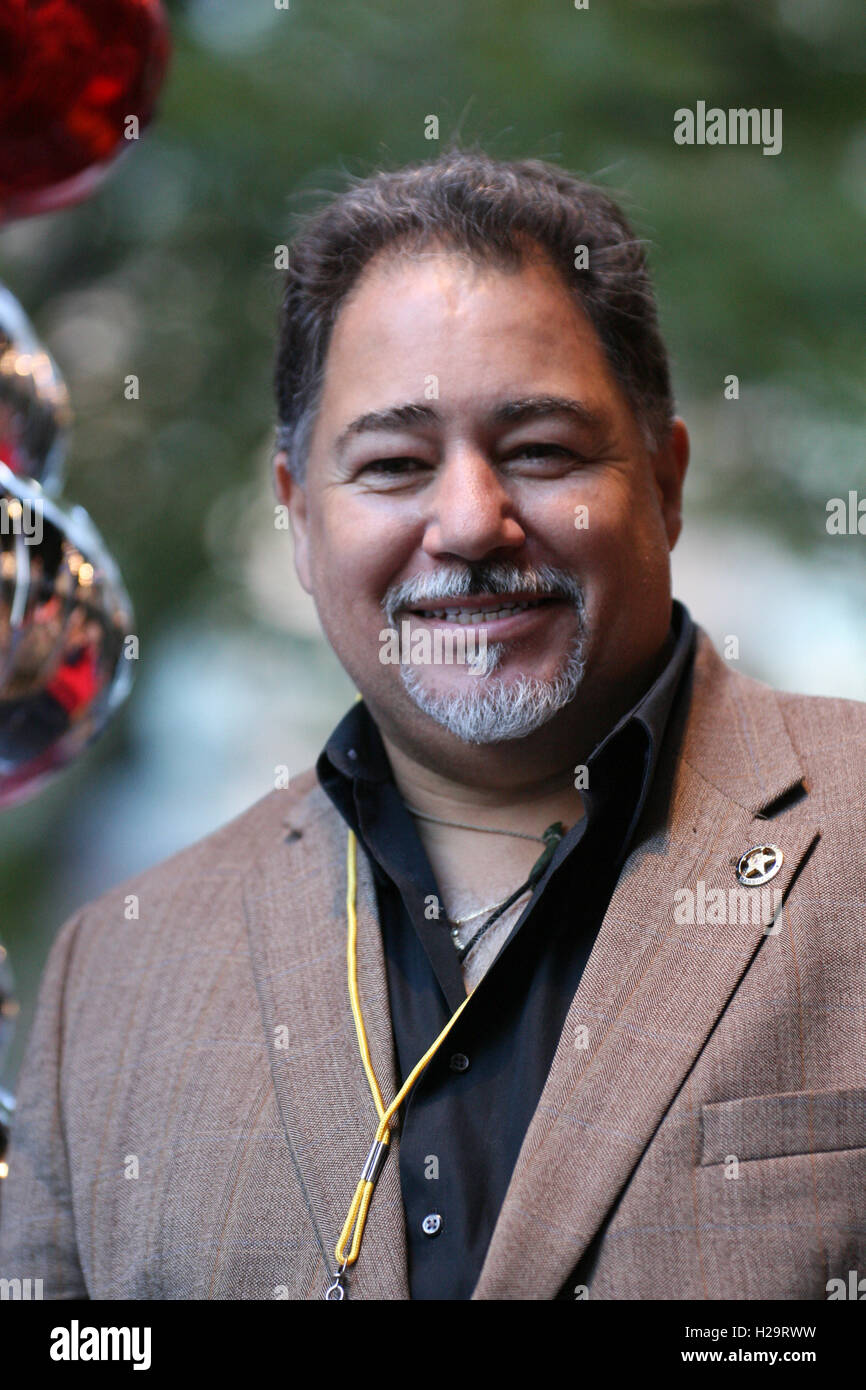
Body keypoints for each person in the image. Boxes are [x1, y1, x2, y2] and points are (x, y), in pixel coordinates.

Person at [1, 146, 864, 1301]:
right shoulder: (111, 981)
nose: (468, 522)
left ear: (662, 480)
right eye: (395, 463)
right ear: (298, 516)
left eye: (540, 450)